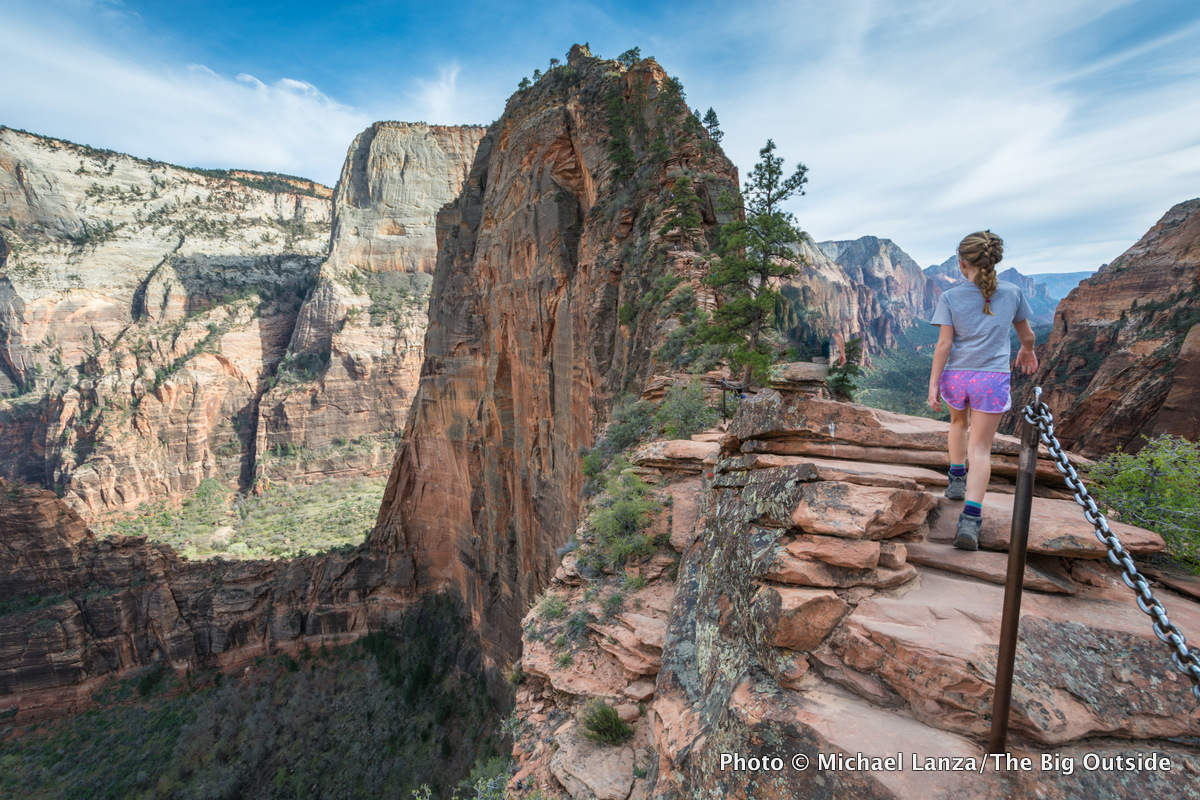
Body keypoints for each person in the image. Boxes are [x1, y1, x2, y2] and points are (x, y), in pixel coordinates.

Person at [927, 231, 1038, 550]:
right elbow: (1026, 336)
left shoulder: (950, 298)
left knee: (958, 424)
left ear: (962, 264)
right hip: (991, 380)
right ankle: (970, 521)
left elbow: (944, 344)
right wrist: (1026, 351)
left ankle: (956, 480)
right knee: (981, 449)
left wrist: (934, 382)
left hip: (957, 377)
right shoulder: (1013, 293)